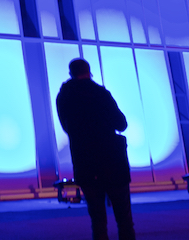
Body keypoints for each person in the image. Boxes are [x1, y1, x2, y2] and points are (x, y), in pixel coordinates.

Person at [56, 58, 135, 240]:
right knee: (124, 218)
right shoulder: (101, 93)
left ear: (71, 73)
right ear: (89, 71)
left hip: (85, 161)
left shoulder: (64, 96)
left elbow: (67, 127)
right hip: (113, 161)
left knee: (97, 219)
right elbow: (121, 124)